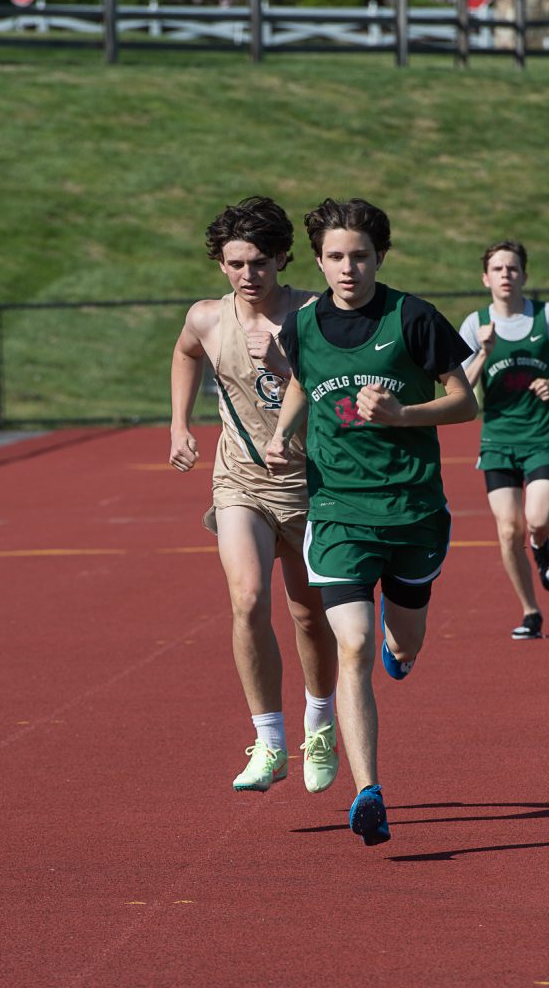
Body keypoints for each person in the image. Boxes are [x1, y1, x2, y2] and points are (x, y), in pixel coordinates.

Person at [265, 198, 478, 846]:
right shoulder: (302, 325)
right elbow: (301, 382)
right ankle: (368, 793)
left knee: (401, 645)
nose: (347, 268)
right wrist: (281, 433)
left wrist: (402, 415)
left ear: (379, 257)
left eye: (359, 255)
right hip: (338, 512)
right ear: (319, 261)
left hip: (413, 511)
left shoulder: (412, 317)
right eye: (335, 256)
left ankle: (400, 647)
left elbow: (464, 402)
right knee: (351, 646)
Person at [169, 196, 339, 795]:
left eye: (259, 263)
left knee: (308, 613)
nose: (248, 275)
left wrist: (291, 363)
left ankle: (320, 727)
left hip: (312, 485)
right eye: (236, 263)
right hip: (239, 480)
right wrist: (179, 425)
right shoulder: (207, 318)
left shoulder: (316, 313)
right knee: (247, 599)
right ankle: (269, 741)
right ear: (221, 263)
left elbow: (342, 389)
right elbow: (185, 352)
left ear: (283, 259)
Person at [459, 240, 549, 640]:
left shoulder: (548, 316)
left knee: (537, 520)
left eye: (512, 268)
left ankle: (541, 543)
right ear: (485, 278)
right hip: (498, 439)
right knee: (508, 530)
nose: (505, 275)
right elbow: (461, 388)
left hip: (543, 435)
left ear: (524, 275)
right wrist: (483, 352)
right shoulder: (475, 324)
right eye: (497, 269)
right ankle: (531, 611)